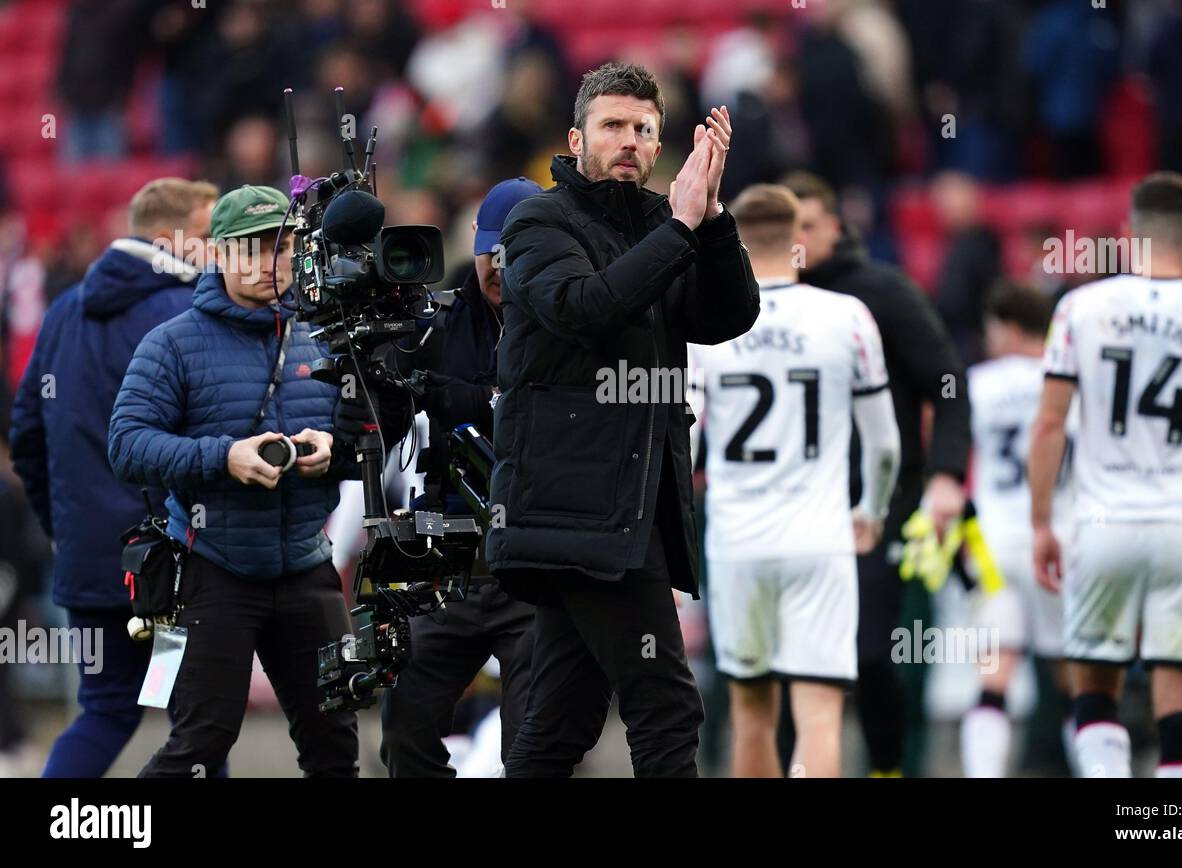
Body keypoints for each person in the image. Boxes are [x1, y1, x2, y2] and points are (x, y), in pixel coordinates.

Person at [488, 62, 760, 778]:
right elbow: (588, 307)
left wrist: (715, 218)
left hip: (626, 507)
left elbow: (724, 316)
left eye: (645, 129)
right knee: (666, 703)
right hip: (575, 505)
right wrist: (679, 226)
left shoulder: (658, 225)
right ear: (577, 137)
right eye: (613, 126)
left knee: (564, 717)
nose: (631, 141)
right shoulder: (539, 220)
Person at [1029, 172, 1182, 777]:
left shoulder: (1078, 309)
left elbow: (1049, 426)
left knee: (1093, 688)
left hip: (1103, 520)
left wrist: (1041, 522)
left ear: (1127, 233)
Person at [108, 185, 358, 778]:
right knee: (201, 742)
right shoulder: (171, 343)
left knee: (335, 745)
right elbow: (126, 446)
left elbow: (376, 438)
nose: (271, 264)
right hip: (214, 566)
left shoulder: (326, 336)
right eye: (253, 249)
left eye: (284, 247)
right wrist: (226, 458)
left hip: (305, 563)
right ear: (219, 253)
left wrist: (335, 451)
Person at [688, 184, 899, 777]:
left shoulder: (704, 328)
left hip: (737, 542)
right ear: (799, 239)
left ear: (736, 244)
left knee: (751, 715)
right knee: (820, 717)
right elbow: (883, 441)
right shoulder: (846, 318)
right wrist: (871, 509)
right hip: (819, 537)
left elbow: (686, 441)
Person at [10, 178, 217, 777]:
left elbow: (26, 434)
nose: (214, 252)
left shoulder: (62, 313)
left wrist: (63, 528)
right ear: (167, 237)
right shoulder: (187, 313)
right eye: (205, 236)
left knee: (104, 709)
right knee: (200, 719)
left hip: (90, 558)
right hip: (176, 562)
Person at [785, 170, 970, 777]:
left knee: (872, 654)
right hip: (790, 504)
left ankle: (890, 768)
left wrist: (945, 474)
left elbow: (947, 383)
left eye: (808, 225)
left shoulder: (881, 293)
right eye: (786, 228)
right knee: (781, 662)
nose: (797, 239)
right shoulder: (757, 299)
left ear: (836, 227)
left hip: (878, 500)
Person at [375, 177, 543, 778]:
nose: (499, 268)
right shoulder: (432, 322)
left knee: (534, 749)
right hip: (444, 552)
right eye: (492, 250)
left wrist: (455, 397)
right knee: (404, 731)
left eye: (515, 253)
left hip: (534, 560)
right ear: (473, 240)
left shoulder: (568, 321)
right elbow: (379, 418)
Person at [961, 284, 1072, 777]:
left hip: (992, 543)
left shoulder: (978, 382)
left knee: (994, 673)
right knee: (1079, 681)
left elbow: (956, 461)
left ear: (1007, 327)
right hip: (1057, 539)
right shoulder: (1068, 381)